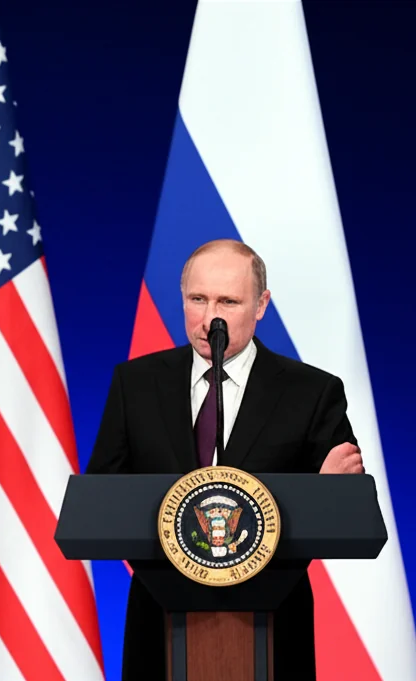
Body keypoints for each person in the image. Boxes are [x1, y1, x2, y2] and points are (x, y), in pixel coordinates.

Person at [85, 239, 364, 681]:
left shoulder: (311, 393)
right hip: (158, 616)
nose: (209, 316)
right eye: (198, 299)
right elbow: (101, 501)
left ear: (261, 305)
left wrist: (328, 496)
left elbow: (346, 511)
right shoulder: (135, 384)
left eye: (228, 301)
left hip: (273, 620)